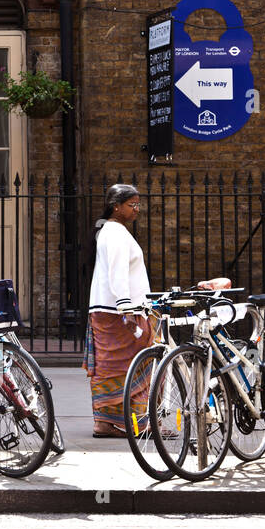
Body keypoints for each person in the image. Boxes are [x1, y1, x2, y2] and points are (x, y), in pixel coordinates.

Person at [83, 183, 151, 437]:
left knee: (112, 368)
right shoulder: (115, 233)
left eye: (138, 205)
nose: (136, 210)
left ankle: (106, 422)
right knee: (137, 364)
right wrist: (127, 308)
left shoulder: (112, 231)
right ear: (116, 206)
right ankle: (137, 423)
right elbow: (117, 270)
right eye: (132, 205)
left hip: (110, 310)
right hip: (117, 312)